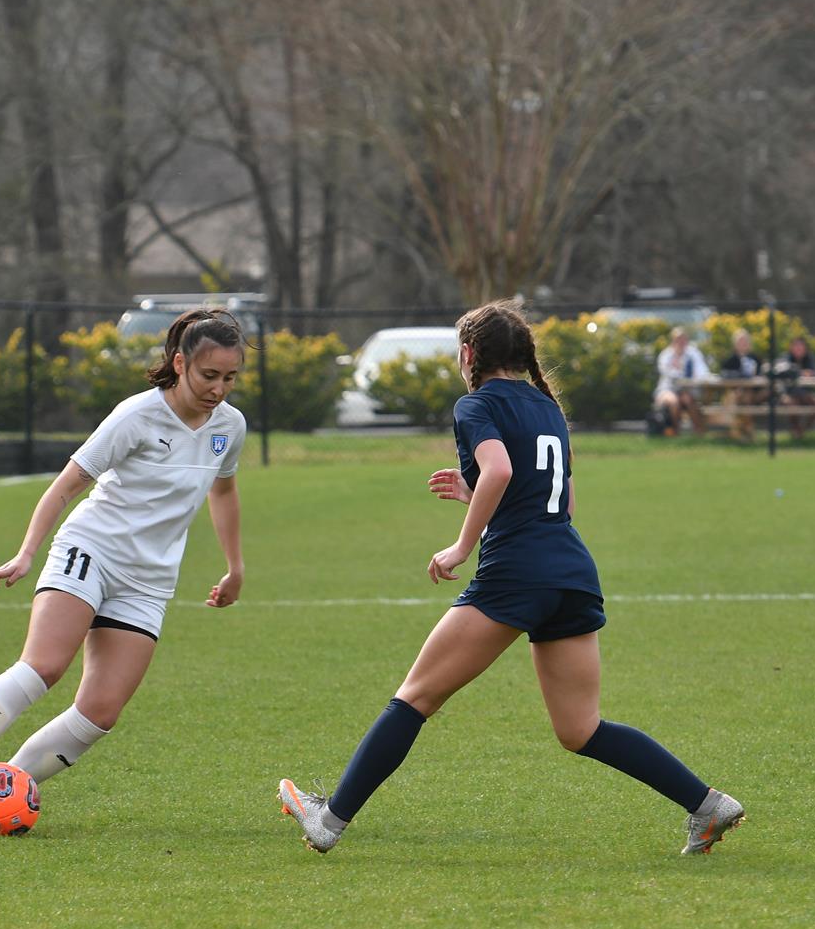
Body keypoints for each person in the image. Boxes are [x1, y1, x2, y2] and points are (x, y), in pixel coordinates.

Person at [277, 299, 745, 857]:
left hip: (517, 572)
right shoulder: (547, 408)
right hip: (570, 571)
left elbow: (501, 469)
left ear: (469, 353)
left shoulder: (476, 404)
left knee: (416, 696)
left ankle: (327, 821)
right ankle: (707, 805)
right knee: (581, 729)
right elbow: (557, 502)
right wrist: (475, 497)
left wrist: (461, 544)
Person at [0, 309, 248, 814]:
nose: (219, 388)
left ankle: (5, 790)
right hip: (91, 550)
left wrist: (235, 567)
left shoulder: (230, 426)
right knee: (45, 665)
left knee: (100, 711)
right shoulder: (136, 415)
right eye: (209, 375)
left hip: (149, 580)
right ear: (179, 364)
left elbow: (222, 492)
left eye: (230, 377)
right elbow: (67, 485)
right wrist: (26, 553)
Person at [652, 326, 710, 434]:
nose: (681, 342)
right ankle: (674, 432)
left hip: (686, 390)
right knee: (674, 402)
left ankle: (699, 432)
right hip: (666, 389)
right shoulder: (666, 355)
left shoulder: (693, 353)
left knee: (689, 400)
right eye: (678, 339)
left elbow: (702, 372)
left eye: (683, 339)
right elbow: (669, 374)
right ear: (673, 341)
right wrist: (680, 371)